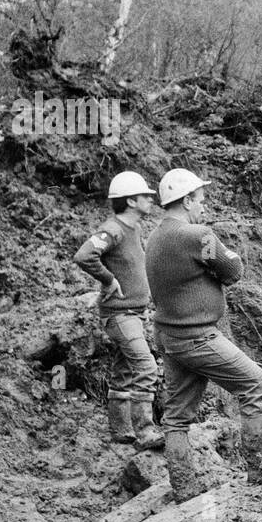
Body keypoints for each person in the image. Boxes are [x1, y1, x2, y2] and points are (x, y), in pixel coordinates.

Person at [144, 168, 262, 500]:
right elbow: (232, 270)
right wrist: (227, 258)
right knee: (256, 384)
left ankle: (185, 487)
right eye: (200, 200)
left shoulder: (156, 237)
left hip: (170, 337)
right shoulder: (198, 235)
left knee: (176, 416)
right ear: (187, 199)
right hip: (196, 336)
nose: (204, 206)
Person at [74, 171, 164, 451]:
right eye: (145, 196)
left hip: (134, 314)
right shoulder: (113, 230)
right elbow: (84, 255)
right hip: (119, 315)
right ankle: (145, 430)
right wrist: (108, 279)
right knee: (146, 366)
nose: (150, 200)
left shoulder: (133, 229)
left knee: (124, 370)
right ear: (131, 200)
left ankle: (121, 430)